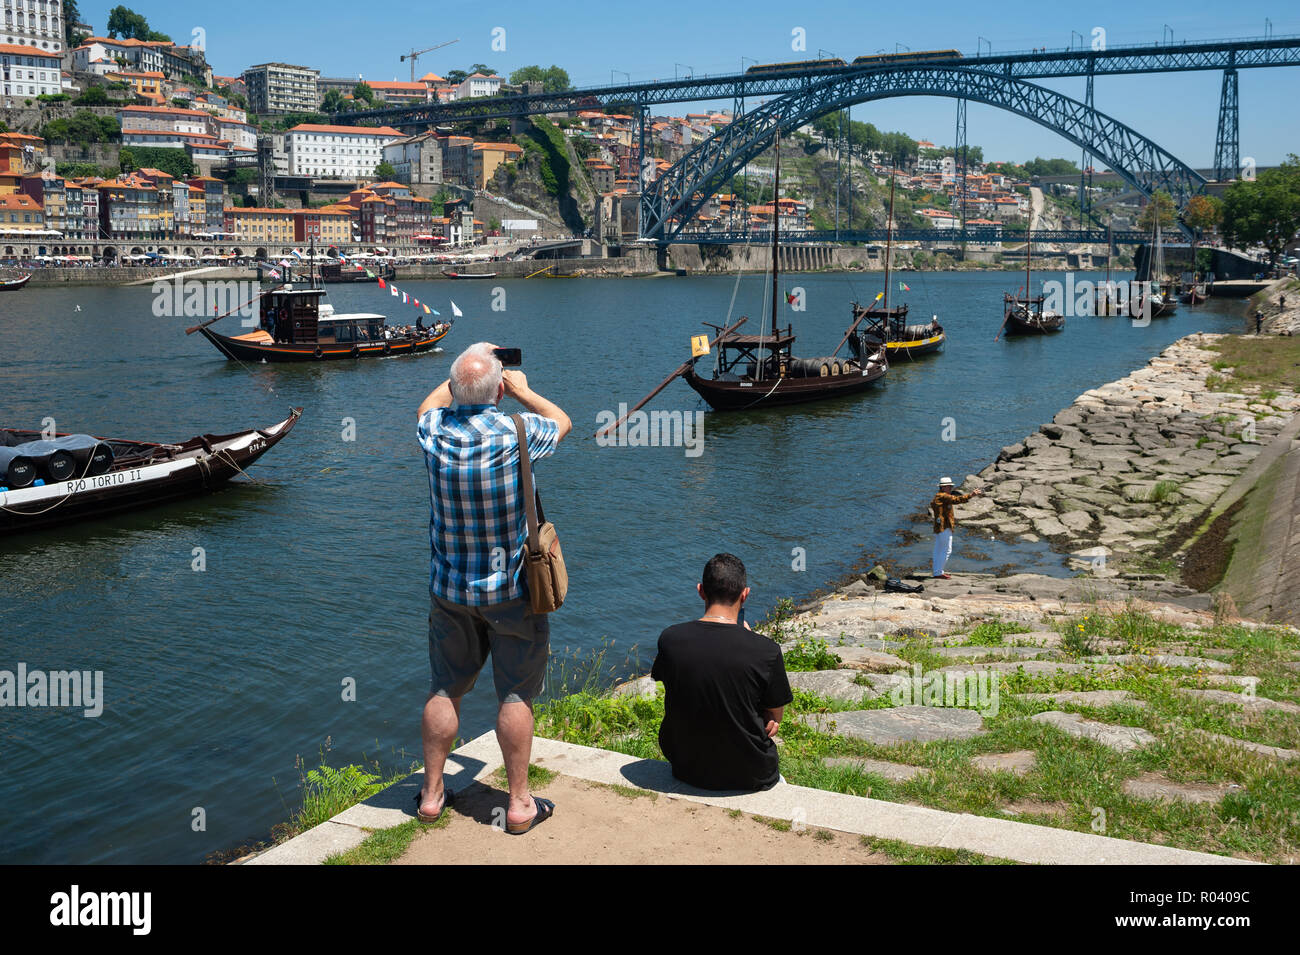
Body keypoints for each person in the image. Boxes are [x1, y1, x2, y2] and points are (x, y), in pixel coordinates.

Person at [414, 342, 572, 834]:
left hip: (451, 590)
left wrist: (469, 362)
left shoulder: (434, 433)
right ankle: (520, 804)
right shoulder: (517, 432)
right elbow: (563, 420)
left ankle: (433, 795)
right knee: (516, 695)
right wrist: (521, 391)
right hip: (511, 592)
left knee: (445, 689)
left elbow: (429, 404)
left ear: (456, 390)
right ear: (500, 390)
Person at [651, 554, 793, 792]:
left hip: (687, 767)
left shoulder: (670, 639)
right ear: (745, 594)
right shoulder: (766, 651)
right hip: (752, 772)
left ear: (700, 591)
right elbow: (774, 719)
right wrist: (750, 639)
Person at [930, 476, 984, 579]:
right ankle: (938, 572)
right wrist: (971, 495)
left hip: (939, 527)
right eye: (949, 486)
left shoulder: (939, 496)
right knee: (947, 550)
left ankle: (937, 571)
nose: (951, 488)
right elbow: (957, 499)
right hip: (944, 526)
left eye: (951, 486)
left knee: (938, 550)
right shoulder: (943, 496)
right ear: (943, 487)